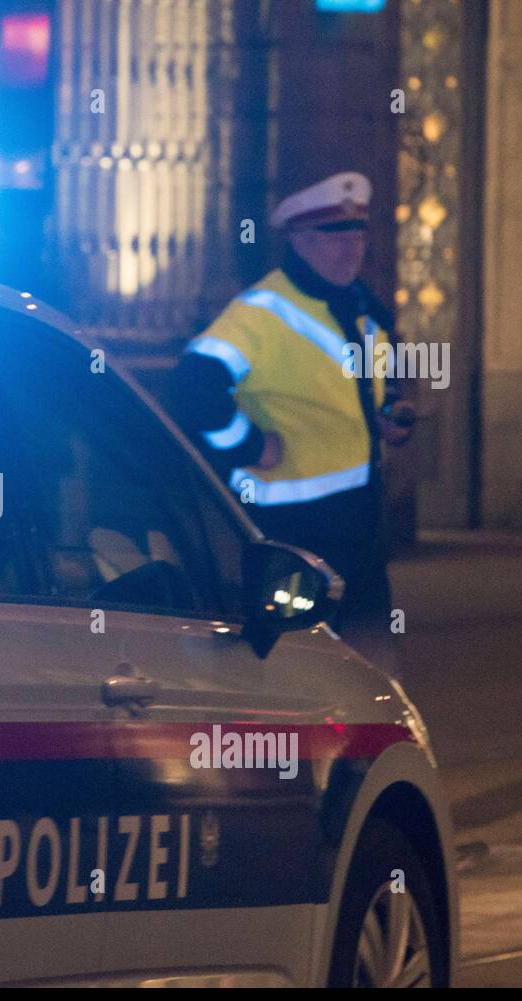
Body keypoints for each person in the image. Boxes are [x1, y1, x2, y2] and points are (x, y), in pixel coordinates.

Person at [165, 171, 416, 670]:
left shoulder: (363, 310)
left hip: (361, 529)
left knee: (369, 676)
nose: (351, 249)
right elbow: (192, 390)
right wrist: (250, 445)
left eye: (358, 235)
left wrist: (389, 417)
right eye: (334, 236)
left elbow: (370, 389)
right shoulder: (262, 310)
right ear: (298, 241)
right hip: (289, 535)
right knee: (293, 671)